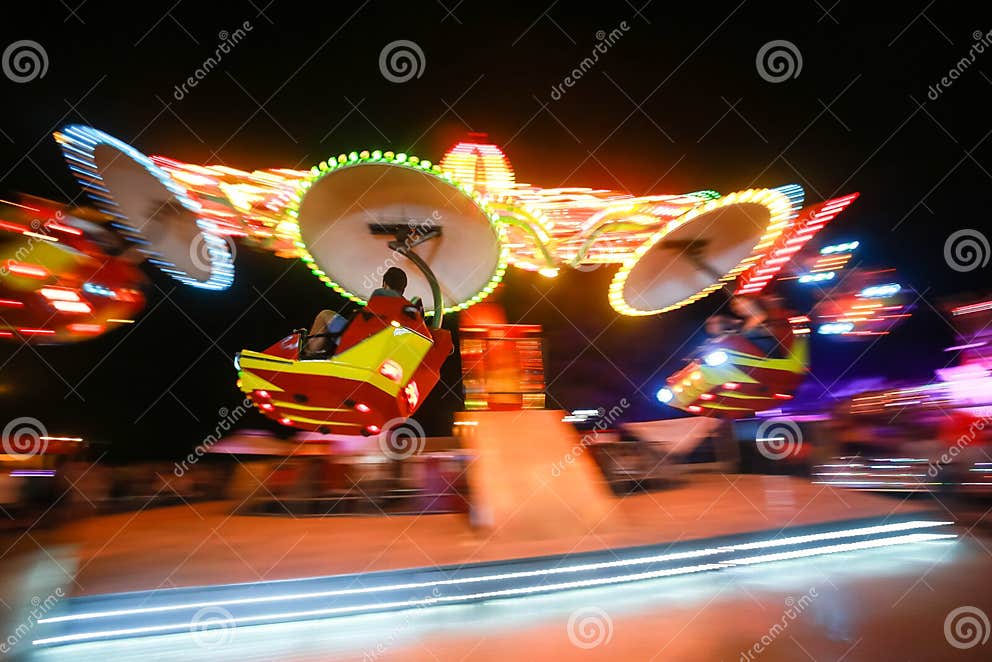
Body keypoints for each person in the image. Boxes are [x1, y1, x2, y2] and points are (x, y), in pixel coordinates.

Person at [306, 267, 409, 355]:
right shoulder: (408, 308)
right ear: (403, 289)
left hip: (357, 343)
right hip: (383, 349)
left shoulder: (380, 296)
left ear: (384, 284)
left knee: (325, 315)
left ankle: (309, 354)